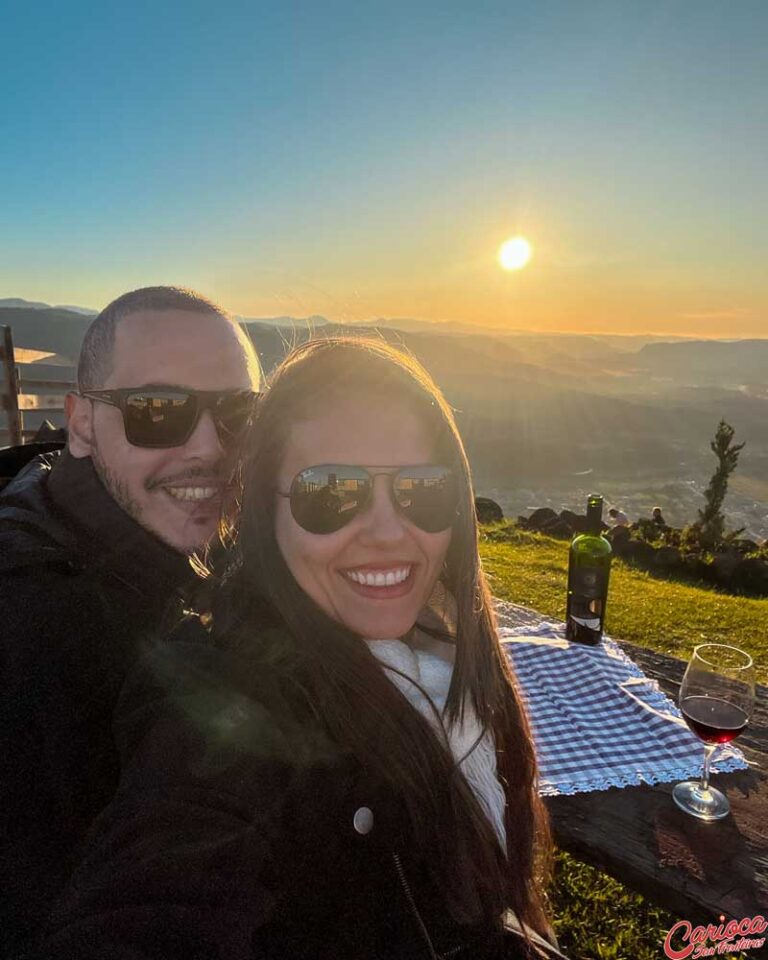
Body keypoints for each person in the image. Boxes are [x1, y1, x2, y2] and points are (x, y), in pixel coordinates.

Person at [33, 338, 564, 959]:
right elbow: (157, 889)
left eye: (422, 489)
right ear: (266, 510)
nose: (390, 533)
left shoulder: (448, 647)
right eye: (330, 493)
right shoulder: (231, 697)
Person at [0, 286, 260, 956]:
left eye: (237, 413)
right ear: (81, 423)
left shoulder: (79, 507)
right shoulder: (41, 634)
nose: (208, 447)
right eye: (158, 410)